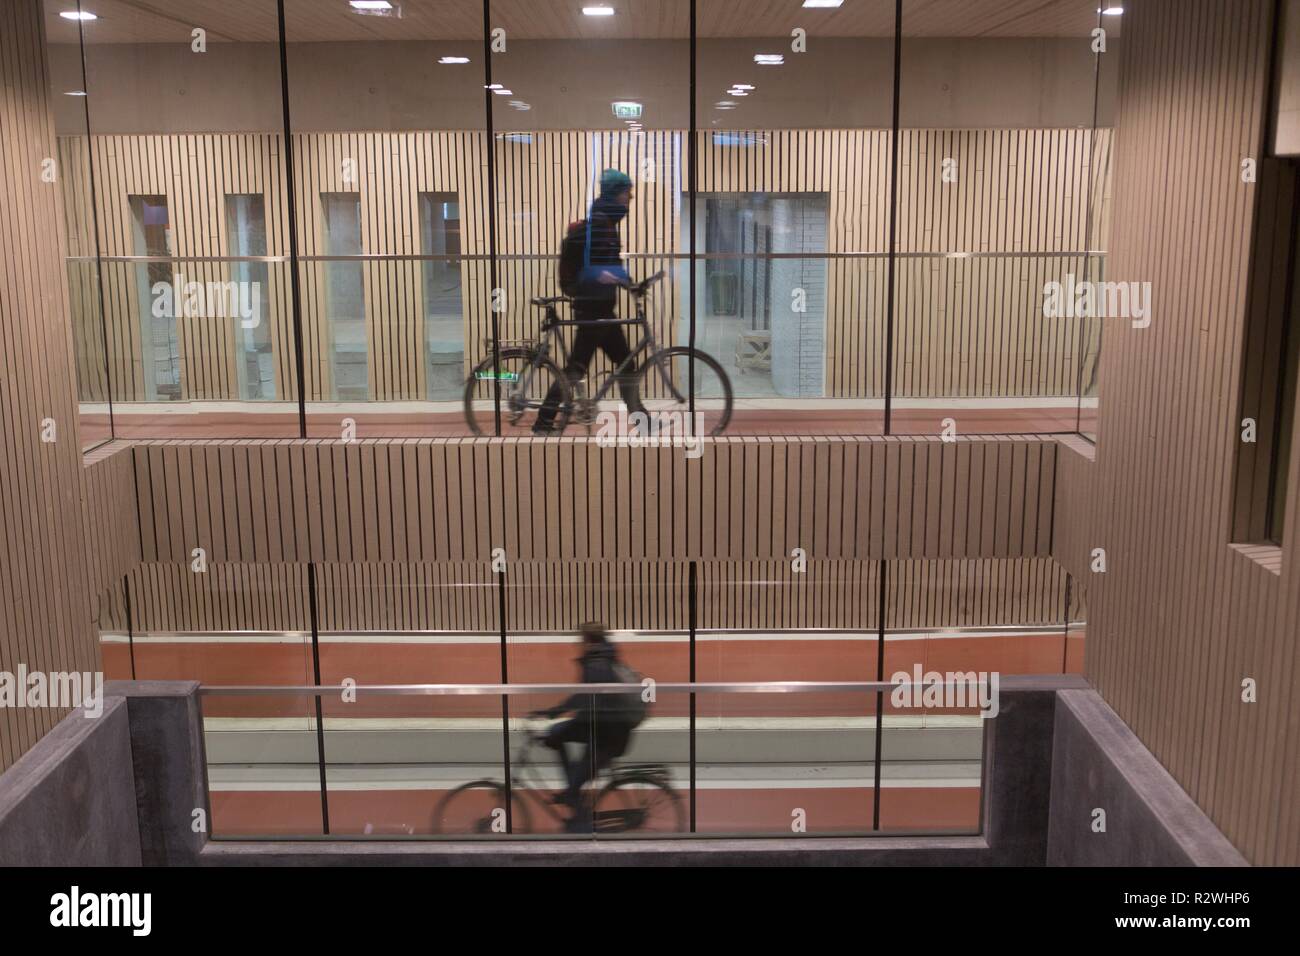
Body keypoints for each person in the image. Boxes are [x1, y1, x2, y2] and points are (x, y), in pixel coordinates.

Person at [534, 168, 643, 434]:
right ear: (615, 194)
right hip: (594, 308)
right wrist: (626, 281)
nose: (630, 197)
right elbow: (597, 269)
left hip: (600, 307)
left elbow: (605, 265)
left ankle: (643, 422)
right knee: (577, 369)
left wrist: (624, 281)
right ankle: (544, 421)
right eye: (627, 192)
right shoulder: (600, 225)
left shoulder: (603, 222)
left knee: (625, 363)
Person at [534, 622, 642, 831]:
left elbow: (585, 701)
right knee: (556, 735)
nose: (578, 643)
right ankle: (572, 794)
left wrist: (552, 713)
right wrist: (555, 715)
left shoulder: (597, 664)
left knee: (557, 737)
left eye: (580, 639)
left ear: (587, 640)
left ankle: (577, 812)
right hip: (604, 730)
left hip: (606, 735)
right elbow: (585, 700)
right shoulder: (602, 660)